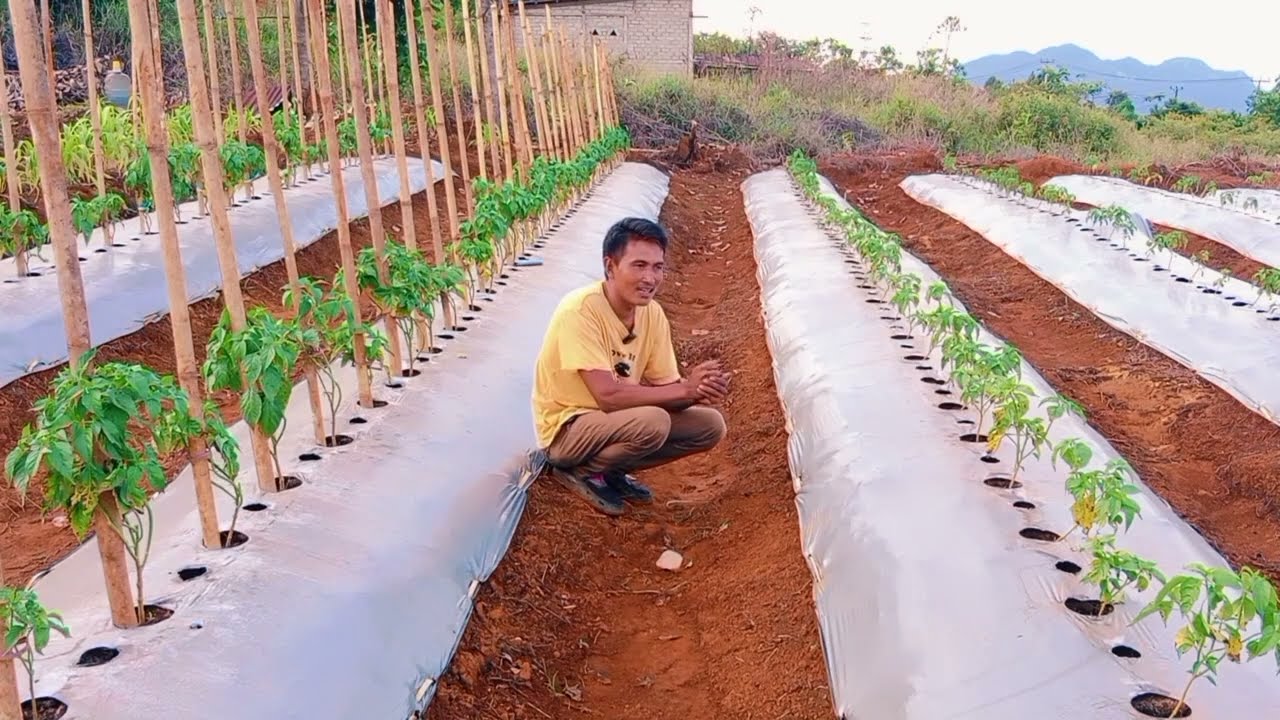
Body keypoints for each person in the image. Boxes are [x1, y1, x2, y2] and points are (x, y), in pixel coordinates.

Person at [531, 217, 730, 516]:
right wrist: (684, 389)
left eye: (657, 267)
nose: (650, 278)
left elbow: (668, 390)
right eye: (639, 265)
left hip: (614, 424)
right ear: (610, 266)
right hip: (568, 430)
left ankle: (611, 470)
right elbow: (608, 397)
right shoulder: (580, 311)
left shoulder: (652, 314)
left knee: (710, 426)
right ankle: (582, 471)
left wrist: (696, 391)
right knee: (653, 422)